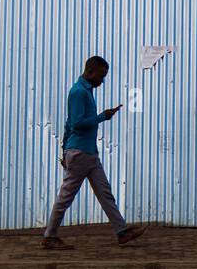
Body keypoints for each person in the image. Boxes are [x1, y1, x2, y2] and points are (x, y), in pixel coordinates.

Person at [43, 56, 147, 249]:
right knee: (66, 196)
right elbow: (76, 123)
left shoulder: (85, 91)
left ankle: (122, 232)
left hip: (87, 154)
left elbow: (68, 124)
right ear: (90, 72)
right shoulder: (79, 93)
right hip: (81, 154)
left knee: (105, 194)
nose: (102, 81)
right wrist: (102, 116)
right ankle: (49, 236)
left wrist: (65, 150)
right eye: (101, 76)